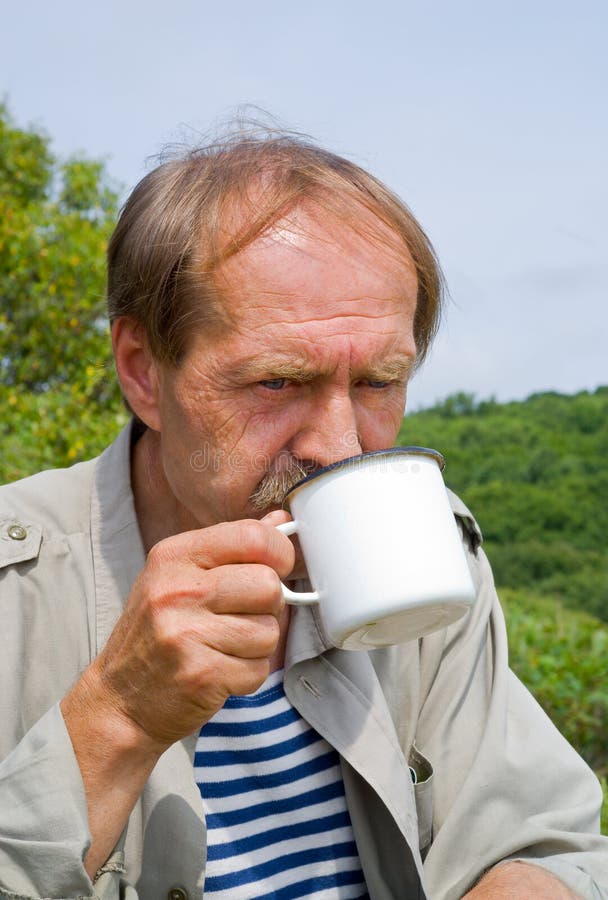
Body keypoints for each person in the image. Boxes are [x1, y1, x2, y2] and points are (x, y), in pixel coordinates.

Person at [0, 128, 606, 900]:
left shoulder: (424, 538)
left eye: (380, 382)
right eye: (279, 383)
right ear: (144, 372)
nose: (341, 446)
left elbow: (535, 837)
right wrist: (118, 715)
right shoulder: (15, 587)